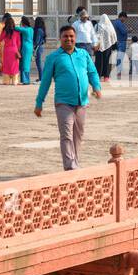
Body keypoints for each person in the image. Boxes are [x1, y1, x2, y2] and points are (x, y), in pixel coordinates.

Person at [34, 24, 102, 171]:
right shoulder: (53, 58)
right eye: (65, 36)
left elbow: (92, 73)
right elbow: (45, 82)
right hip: (63, 103)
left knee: (78, 135)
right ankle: (70, 167)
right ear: (60, 38)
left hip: (82, 102)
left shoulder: (83, 54)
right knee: (66, 135)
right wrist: (39, 103)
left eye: (71, 36)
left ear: (75, 38)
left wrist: (96, 87)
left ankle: (75, 162)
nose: (69, 39)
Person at [0, 14, 21, 85]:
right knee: (15, 65)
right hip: (14, 50)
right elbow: (18, 43)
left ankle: (6, 81)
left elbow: (0, 39)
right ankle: (15, 81)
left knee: (7, 64)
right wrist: (17, 50)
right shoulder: (17, 32)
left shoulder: (5, 31)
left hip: (6, 50)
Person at [94, 13, 117, 79]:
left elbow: (93, 34)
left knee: (98, 61)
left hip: (99, 46)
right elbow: (114, 36)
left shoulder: (97, 26)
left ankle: (98, 75)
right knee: (107, 61)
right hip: (108, 46)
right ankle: (106, 76)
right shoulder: (110, 27)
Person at [17, 16, 35, 86]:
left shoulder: (25, 30)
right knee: (25, 63)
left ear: (23, 23)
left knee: (25, 64)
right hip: (30, 47)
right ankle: (24, 79)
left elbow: (16, 28)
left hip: (25, 47)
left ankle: (26, 80)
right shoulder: (31, 29)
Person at [113, 11, 130, 77]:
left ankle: (119, 70)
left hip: (118, 41)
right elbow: (123, 31)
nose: (125, 20)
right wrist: (129, 30)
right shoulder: (119, 23)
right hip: (121, 41)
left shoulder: (115, 22)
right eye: (125, 18)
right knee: (120, 57)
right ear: (122, 17)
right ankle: (119, 71)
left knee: (119, 57)